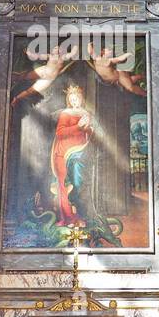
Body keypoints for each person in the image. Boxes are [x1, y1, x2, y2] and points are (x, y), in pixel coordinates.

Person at [50, 84, 92, 227]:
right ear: (69, 100)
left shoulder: (86, 113)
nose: (75, 102)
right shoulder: (65, 113)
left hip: (80, 152)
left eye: (77, 99)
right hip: (64, 153)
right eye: (72, 99)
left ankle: (79, 217)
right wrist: (78, 127)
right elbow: (60, 133)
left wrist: (89, 129)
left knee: (79, 185)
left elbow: (87, 133)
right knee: (64, 185)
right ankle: (67, 218)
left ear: (81, 99)